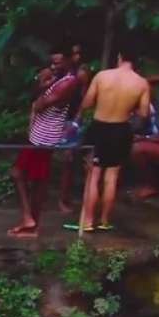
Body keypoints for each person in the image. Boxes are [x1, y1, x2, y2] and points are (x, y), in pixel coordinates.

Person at [69, 43, 151, 233]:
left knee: (93, 175)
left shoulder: (102, 76)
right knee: (111, 176)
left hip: (100, 127)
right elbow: (144, 113)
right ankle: (105, 220)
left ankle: (88, 221)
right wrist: (129, 107)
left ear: (120, 57)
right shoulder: (141, 83)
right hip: (121, 129)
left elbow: (87, 103)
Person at [9, 47, 78, 237]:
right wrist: (43, 85)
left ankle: (29, 219)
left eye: (57, 63)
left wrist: (43, 84)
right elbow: (37, 98)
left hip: (44, 138)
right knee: (37, 180)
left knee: (18, 173)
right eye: (52, 63)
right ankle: (32, 224)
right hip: (39, 135)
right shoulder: (58, 81)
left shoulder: (68, 82)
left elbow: (39, 105)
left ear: (68, 61)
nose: (53, 67)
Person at [57, 42, 93, 213]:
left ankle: (65, 199)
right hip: (56, 120)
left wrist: (76, 122)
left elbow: (85, 101)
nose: (77, 57)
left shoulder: (82, 73)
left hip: (72, 122)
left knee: (69, 160)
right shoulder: (59, 71)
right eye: (74, 54)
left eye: (79, 53)